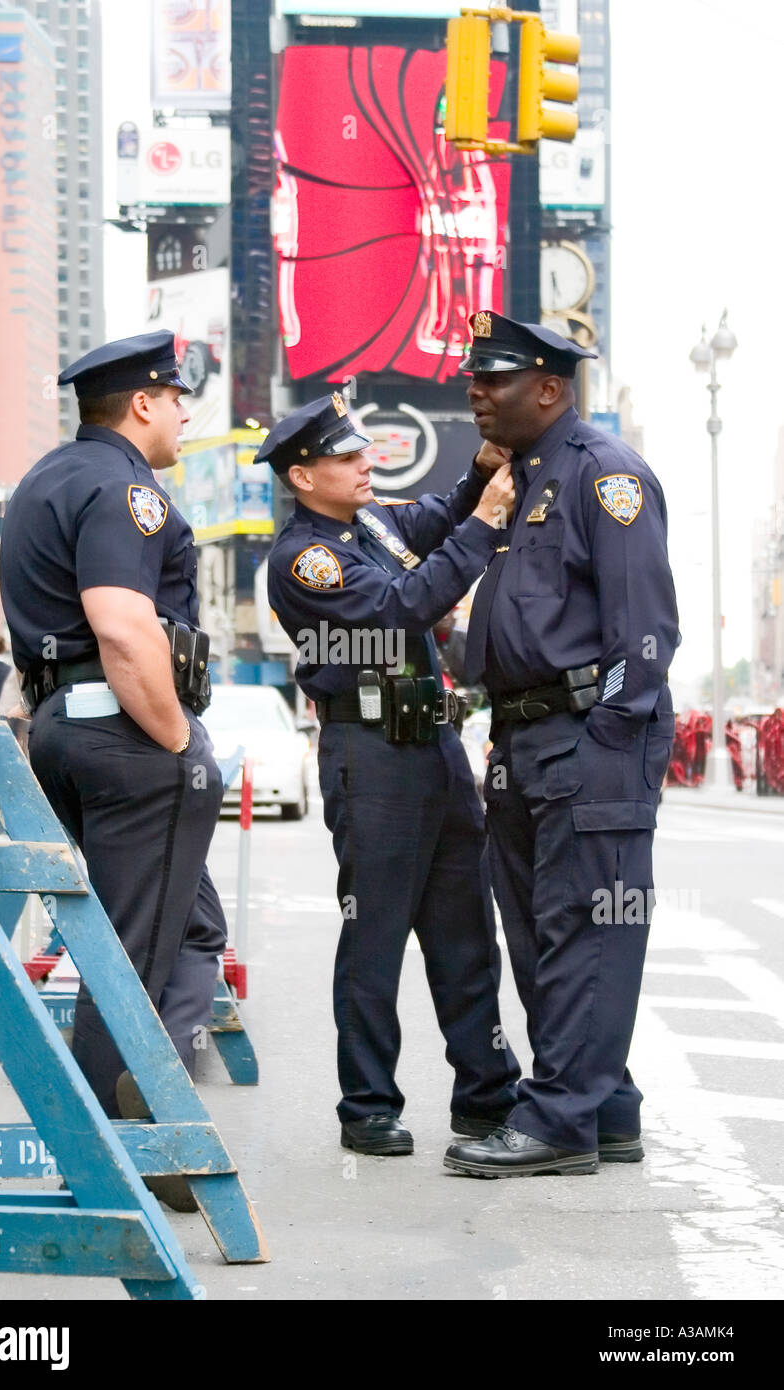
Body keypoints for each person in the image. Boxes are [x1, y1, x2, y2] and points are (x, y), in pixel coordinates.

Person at [444, 311, 679, 1179]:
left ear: (549, 388)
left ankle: (558, 1123)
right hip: (522, 735)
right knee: (544, 934)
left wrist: (607, 743)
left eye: (492, 380)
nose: (474, 393)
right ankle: (605, 1108)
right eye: (473, 378)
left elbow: (645, 632)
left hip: (586, 736)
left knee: (586, 931)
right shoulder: (522, 478)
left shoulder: (606, 476)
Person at [261, 393, 521, 1156]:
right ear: (304, 476)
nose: (365, 462)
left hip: (435, 747)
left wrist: (477, 477)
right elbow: (401, 607)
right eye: (346, 457)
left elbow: (436, 515)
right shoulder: (307, 557)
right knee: (374, 935)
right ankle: (369, 1105)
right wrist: (485, 525)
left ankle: (486, 1095)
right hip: (370, 754)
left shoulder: (367, 523)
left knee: (467, 933)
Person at [0, 332, 227, 1162]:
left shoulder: (46, 478)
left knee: (191, 930)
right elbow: (125, 628)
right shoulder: (128, 489)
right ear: (141, 403)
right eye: (174, 398)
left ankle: (150, 1088)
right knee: (129, 956)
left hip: (65, 725)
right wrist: (178, 742)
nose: (182, 411)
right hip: (127, 732)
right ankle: (110, 1146)